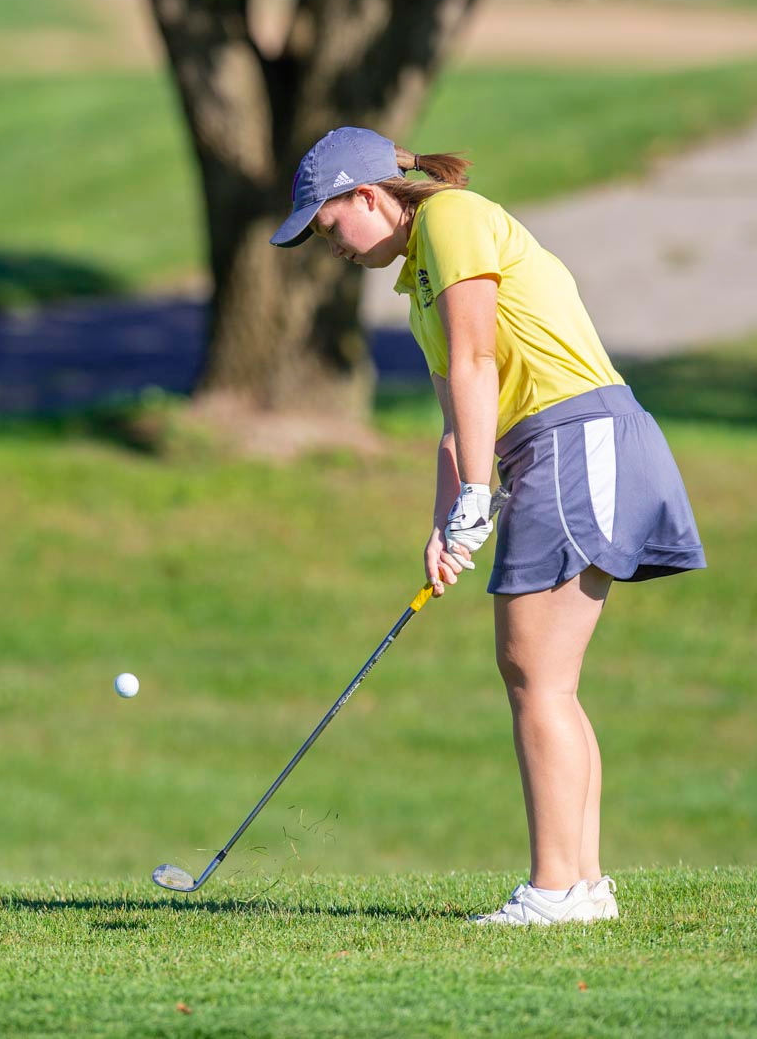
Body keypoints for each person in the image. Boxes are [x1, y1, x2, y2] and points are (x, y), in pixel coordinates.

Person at [270, 126, 706, 926]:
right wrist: (446, 523)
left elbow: (478, 365)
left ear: (368, 197)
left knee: (532, 671)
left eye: (328, 224)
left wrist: (478, 495)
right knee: (545, 679)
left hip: (576, 439)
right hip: (548, 452)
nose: (326, 244)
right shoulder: (418, 286)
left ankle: (554, 891)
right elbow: (454, 417)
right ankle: (580, 886)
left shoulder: (451, 219)